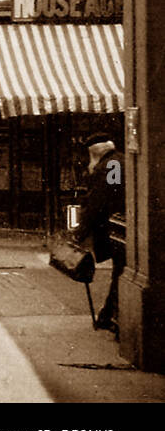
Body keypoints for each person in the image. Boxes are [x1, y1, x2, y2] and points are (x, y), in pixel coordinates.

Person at [74, 133, 125, 332]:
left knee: (120, 270)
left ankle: (109, 315)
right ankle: (108, 314)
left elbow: (103, 198)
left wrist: (82, 229)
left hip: (114, 225)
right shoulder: (117, 161)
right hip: (118, 223)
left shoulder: (112, 165)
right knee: (119, 270)